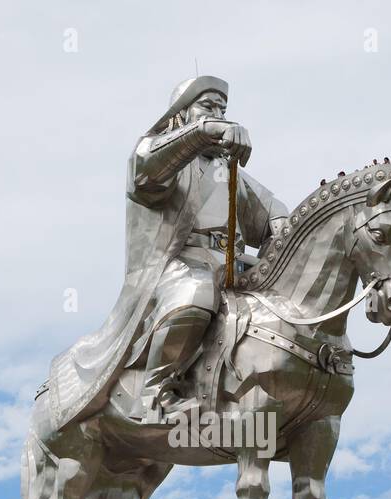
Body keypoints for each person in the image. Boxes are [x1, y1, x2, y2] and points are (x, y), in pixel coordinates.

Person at [44, 75, 288, 426]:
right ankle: (154, 393)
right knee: (195, 294)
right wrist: (203, 131)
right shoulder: (156, 155)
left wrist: (282, 228)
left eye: (223, 109)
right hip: (181, 264)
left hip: (236, 264)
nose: (219, 114)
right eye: (207, 106)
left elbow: (271, 210)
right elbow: (148, 172)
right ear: (181, 115)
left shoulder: (228, 171)